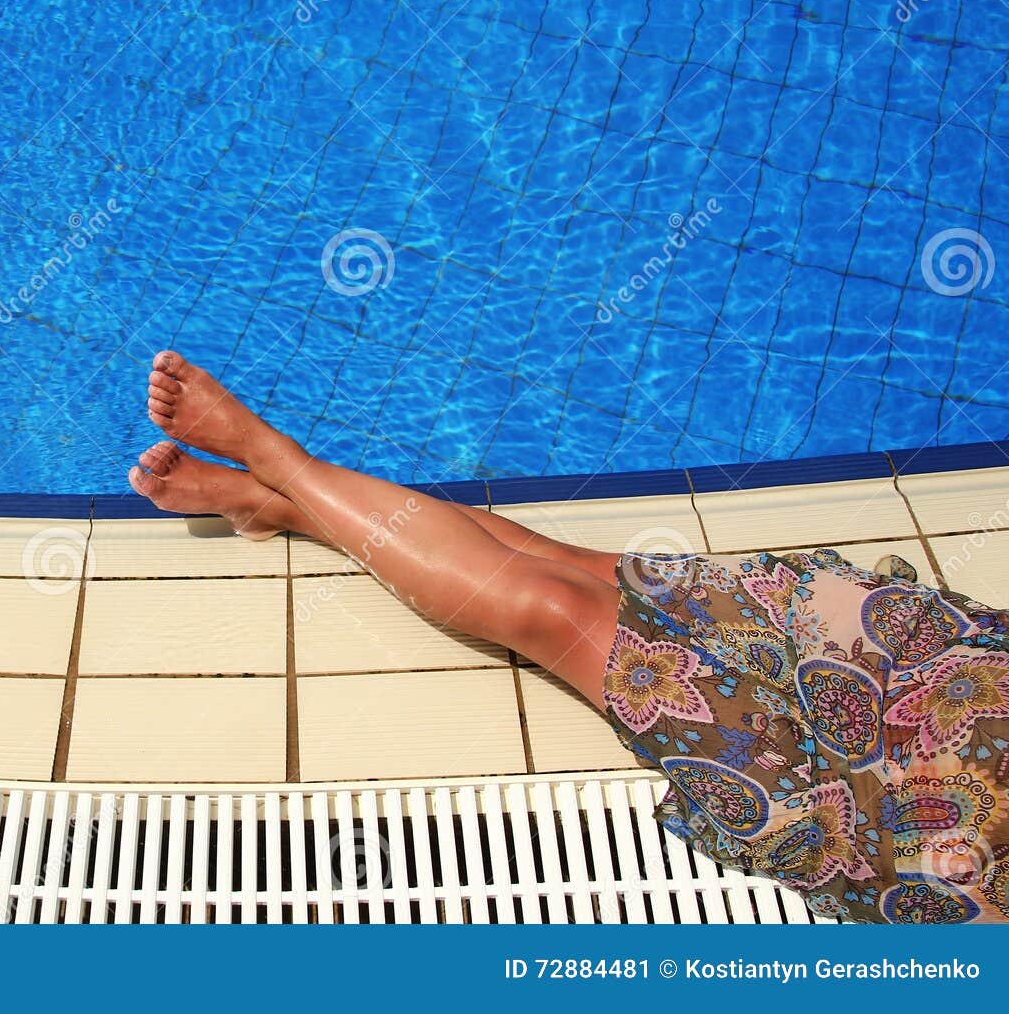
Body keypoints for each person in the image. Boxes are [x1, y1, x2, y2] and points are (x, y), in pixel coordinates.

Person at [129, 351, 1009, 924]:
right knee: (592, 569)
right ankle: (289, 508)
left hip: (922, 828)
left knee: (552, 606)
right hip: (954, 678)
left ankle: (279, 466)